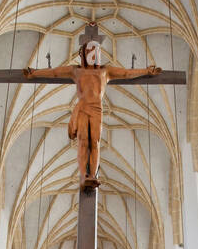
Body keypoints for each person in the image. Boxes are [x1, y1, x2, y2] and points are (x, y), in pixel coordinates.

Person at [23, 35, 161, 188]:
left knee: (94, 142)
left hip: (97, 108)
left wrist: (146, 71)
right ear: (83, 54)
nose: (94, 55)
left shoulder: (105, 71)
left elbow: (127, 73)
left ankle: (92, 175)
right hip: (82, 107)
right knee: (83, 142)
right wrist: (35, 73)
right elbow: (55, 72)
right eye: (90, 51)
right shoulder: (76, 71)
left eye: (96, 51)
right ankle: (84, 176)